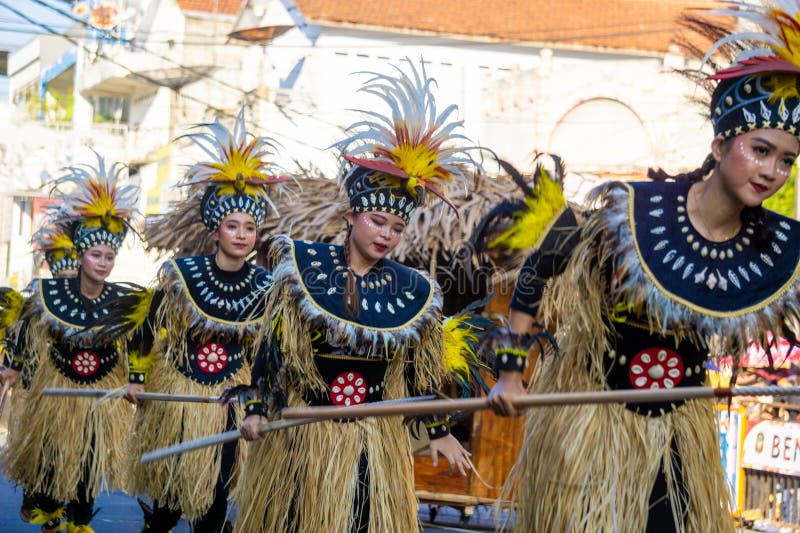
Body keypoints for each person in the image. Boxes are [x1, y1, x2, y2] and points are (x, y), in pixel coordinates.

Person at [482, 3, 800, 532]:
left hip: (681, 438)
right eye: (760, 150)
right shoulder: (632, 212)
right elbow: (541, 267)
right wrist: (510, 375)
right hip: (597, 430)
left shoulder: (775, 247)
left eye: (787, 160)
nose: (771, 171)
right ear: (720, 145)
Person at [235, 59, 479, 533]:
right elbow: (273, 350)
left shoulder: (413, 291)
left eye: (397, 226)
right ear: (351, 216)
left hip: (372, 443)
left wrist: (440, 431)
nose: (387, 234)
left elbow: (417, 374)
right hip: (303, 437)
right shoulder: (305, 271)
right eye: (376, 222)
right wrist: (256, 408)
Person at [120, 107, 286, 533]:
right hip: (181, 398)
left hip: (230, 401)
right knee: (166, 506)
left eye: (250, 227)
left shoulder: (268, 285)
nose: (243, 235)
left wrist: (257, 401)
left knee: (214, 501)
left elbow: (269, 352)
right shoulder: (181, 275)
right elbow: (144, 325)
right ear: (215, 231)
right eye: (233, 226)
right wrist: (138, 377)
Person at [0, 155, 140, 533]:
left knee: (86, 471)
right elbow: (24, 332)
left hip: (99, 399)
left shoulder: (123, 302)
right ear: (80, 255)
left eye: (110, 257)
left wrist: (137, 379)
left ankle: (78, 522)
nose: (104, 263)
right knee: (48, 469)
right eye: (96, 255)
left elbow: (139, 341)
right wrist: (12, 367)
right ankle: (47, 514)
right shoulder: (47, 295)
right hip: (55, 398)